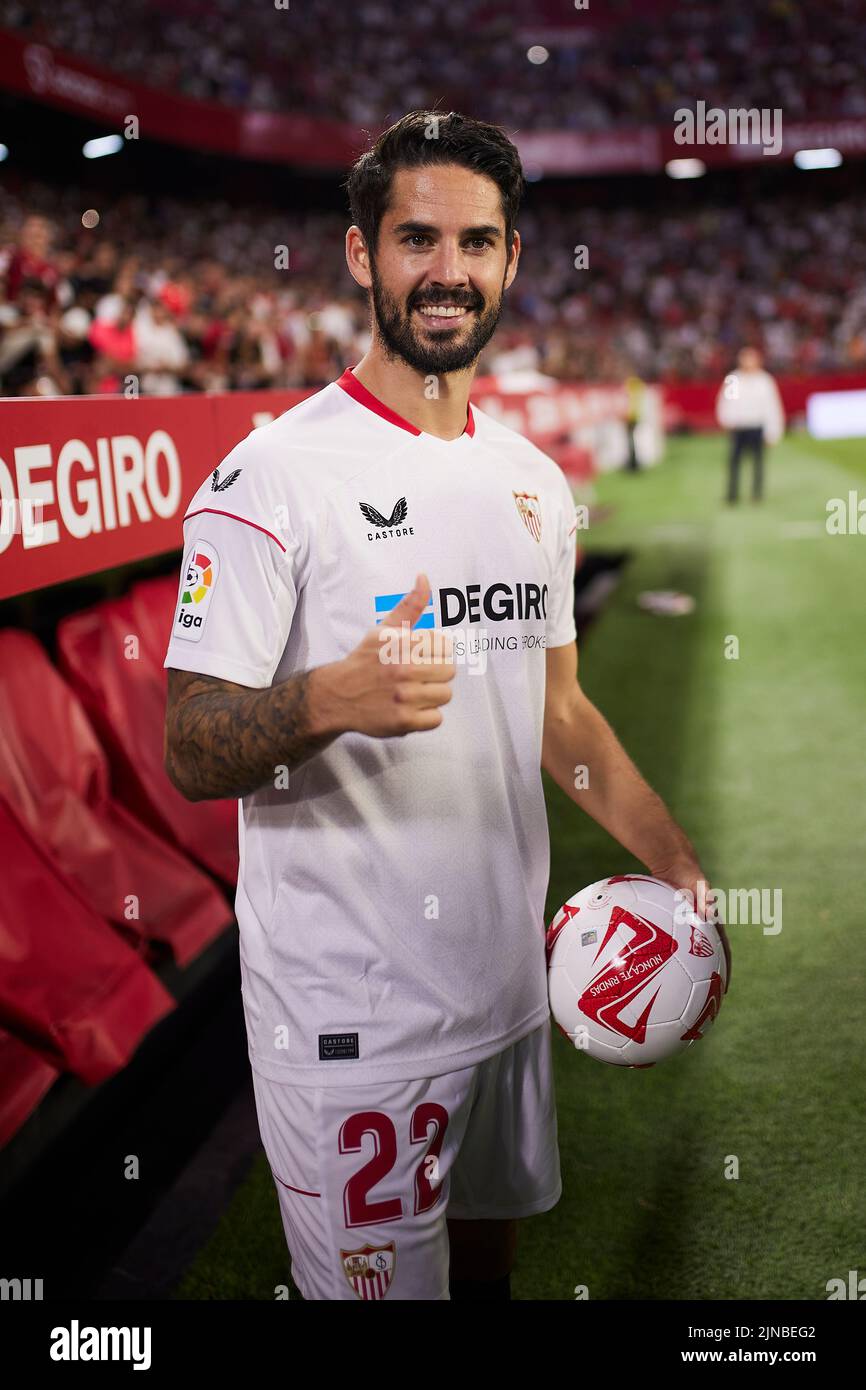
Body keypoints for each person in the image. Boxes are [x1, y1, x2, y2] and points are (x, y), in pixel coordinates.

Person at [163, 110, 730, 1302]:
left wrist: (673, 862)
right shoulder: (270, 478)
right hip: (351, 1024)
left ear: (512, 260)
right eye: (415, 238)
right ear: (361, 254)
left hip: (511, 993)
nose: (447, 271)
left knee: (486, 1279)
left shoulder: (530, 481)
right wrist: (329, 696)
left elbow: (557, 715)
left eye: (475, 243)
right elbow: (190, 745)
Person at [715, 346, 785, 502]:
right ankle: (732, 494)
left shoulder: (765, 380)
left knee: (758, 463)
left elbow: (772, 407)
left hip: (757, 426)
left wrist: (773, 432)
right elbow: (726, 402)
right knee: (734, 462)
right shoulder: (734, 379)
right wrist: (726, 419)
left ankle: (756, 494)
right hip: (738, 426)